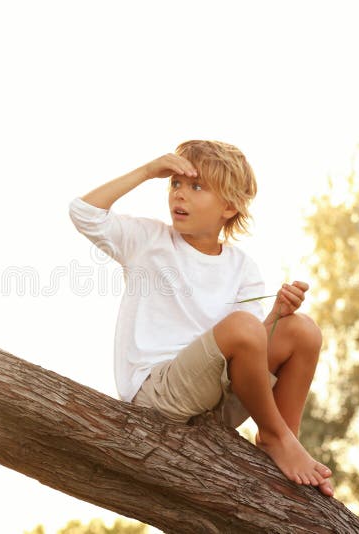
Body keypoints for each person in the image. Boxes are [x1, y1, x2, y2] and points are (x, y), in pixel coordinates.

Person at [68, 139, 334, 497]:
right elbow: (84, 211)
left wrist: (277, 316)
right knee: (244, 328)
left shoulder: (242, 267)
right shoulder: (147, 240)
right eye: (175, 183)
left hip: (216, 397)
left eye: (196, 187)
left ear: (229, 206)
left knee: (303, 331)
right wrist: (148, 171)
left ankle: (281, 441)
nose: (180, 195)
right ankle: (277, 436)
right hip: (158, 393)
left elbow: (250, 346)